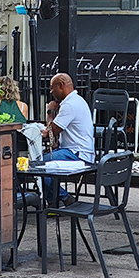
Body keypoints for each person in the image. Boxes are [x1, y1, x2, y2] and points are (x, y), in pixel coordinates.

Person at [41, 72, 95, 205]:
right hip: (77, 151)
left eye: (52, 87)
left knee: (40, 164)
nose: (51, 91)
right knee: (43, 162)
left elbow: (52, 130)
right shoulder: (77, 100)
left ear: (61, 86)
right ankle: (53, 203)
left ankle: (64, 198)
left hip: (77, 154)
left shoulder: (69, 105)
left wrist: (50, 112)